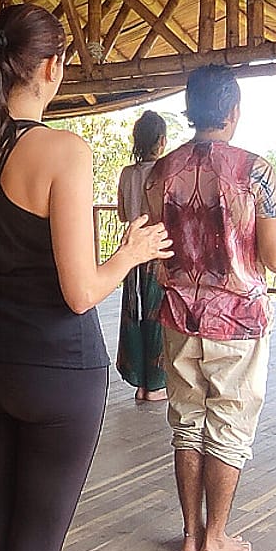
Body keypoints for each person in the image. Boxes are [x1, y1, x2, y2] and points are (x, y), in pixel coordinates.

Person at [0, 3, 173, 551]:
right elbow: (80, 290)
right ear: (50, 69)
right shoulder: (64, 151)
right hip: (57, 374)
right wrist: (132, 251)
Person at [145, 65, 276, 551]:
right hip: (237, 318)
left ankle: (190, 534)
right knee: (229, 426)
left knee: (187, 424)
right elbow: (275, 256)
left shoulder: (161, 171)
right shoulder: (254, 171)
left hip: (177, 312)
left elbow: (157, 246)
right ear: (233, 112)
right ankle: (215, 538)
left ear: (191, 111)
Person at [117, 110, 169, 401]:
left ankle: (139, 382)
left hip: (131, 251)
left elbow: (124, 213)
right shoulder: (165, 170)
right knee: (158, 315)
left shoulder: (127, 173)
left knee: (134, 313)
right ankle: (157, 385)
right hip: (158, 250)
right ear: (161, 140)